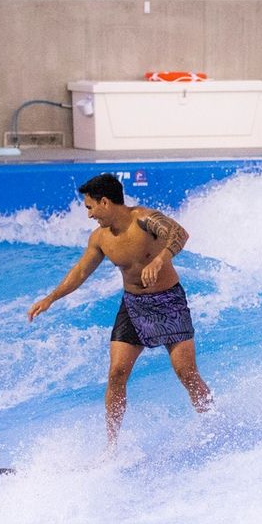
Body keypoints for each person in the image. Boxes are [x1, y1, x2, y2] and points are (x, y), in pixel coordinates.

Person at [26, 173, 213, 444]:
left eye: (90, 207)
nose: (89, 215)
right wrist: (51, 298)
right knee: (116, 373)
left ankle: (213, 422)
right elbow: (79, 272)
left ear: (104, 202)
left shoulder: (145, 220)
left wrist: (159, 261)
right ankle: (111, 446)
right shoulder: (100, 239)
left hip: (168, 303)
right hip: (133, 306)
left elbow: (180, 234)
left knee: (187, 373)